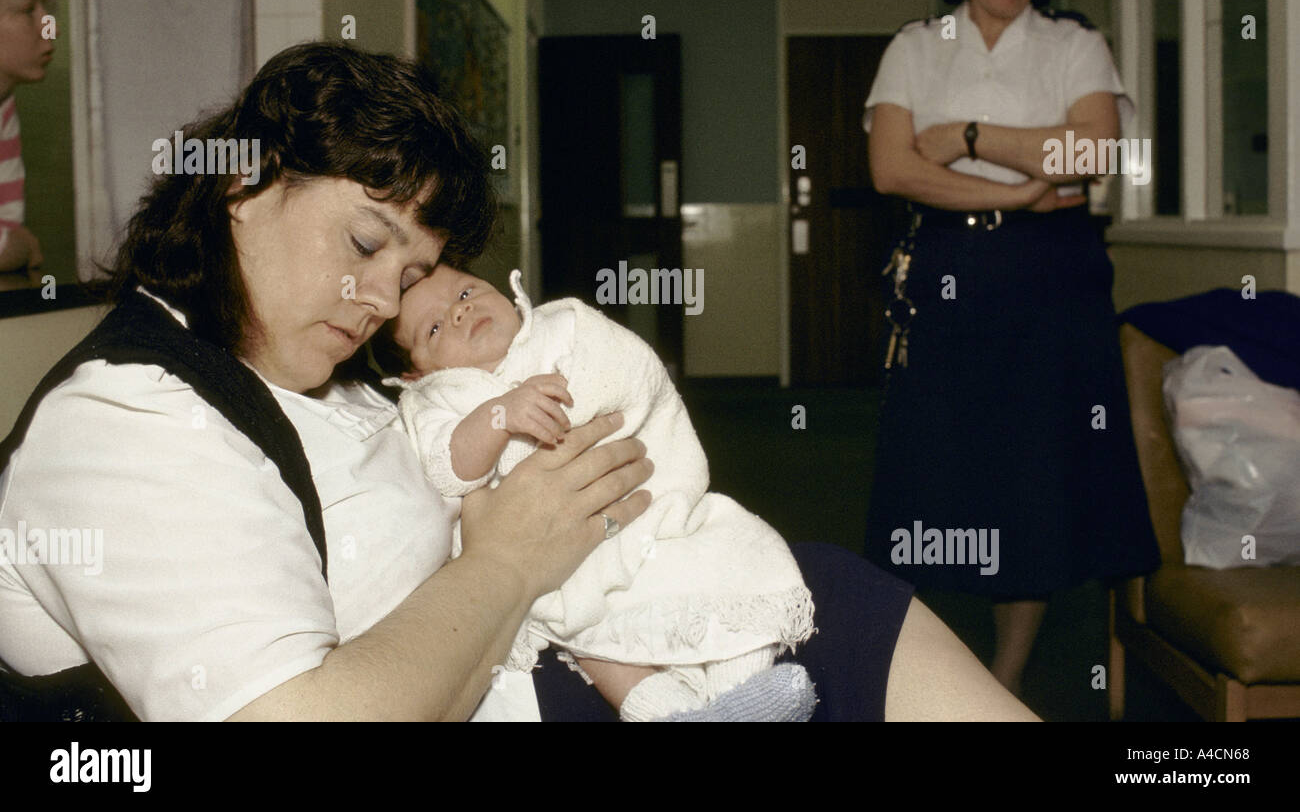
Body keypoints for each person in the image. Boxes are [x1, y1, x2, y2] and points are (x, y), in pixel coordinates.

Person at [0, 41, 1037, 721]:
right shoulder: (129, 422)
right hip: (504, 689)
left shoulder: (317, 372)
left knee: (815, 592)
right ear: (243, 178)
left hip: (529, 660)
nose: (373, 297)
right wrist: (510, 561)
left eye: (405, 275)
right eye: (363, 240)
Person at [862, 0, 1160, 698]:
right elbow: (891, 169)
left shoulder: (1074, 44)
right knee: (938, 475)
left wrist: (967, 134)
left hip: (1053, 283)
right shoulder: (915, 48)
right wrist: (1030, 183)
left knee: (1033, 481)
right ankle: (908, 673)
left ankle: (1007, 675)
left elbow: (1096, 153)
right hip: (951, 276)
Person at [380, 264, 815, 721]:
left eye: (466, 291)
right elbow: (447, 470)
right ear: (416, 374)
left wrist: (572, 405)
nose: (459, 312)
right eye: (433, 327)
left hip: (652, 516)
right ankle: (673, 713)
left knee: (735, 564)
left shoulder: (564, 327)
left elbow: (631, 374)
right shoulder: (438, 398)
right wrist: (499, 416)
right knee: (598, 648)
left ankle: (743, 696)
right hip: (563, 566)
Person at [0, 0, 55, 276]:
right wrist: (20, 247)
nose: (52, 28)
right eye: (27, 9)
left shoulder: (4, 107)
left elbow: (7, 224)